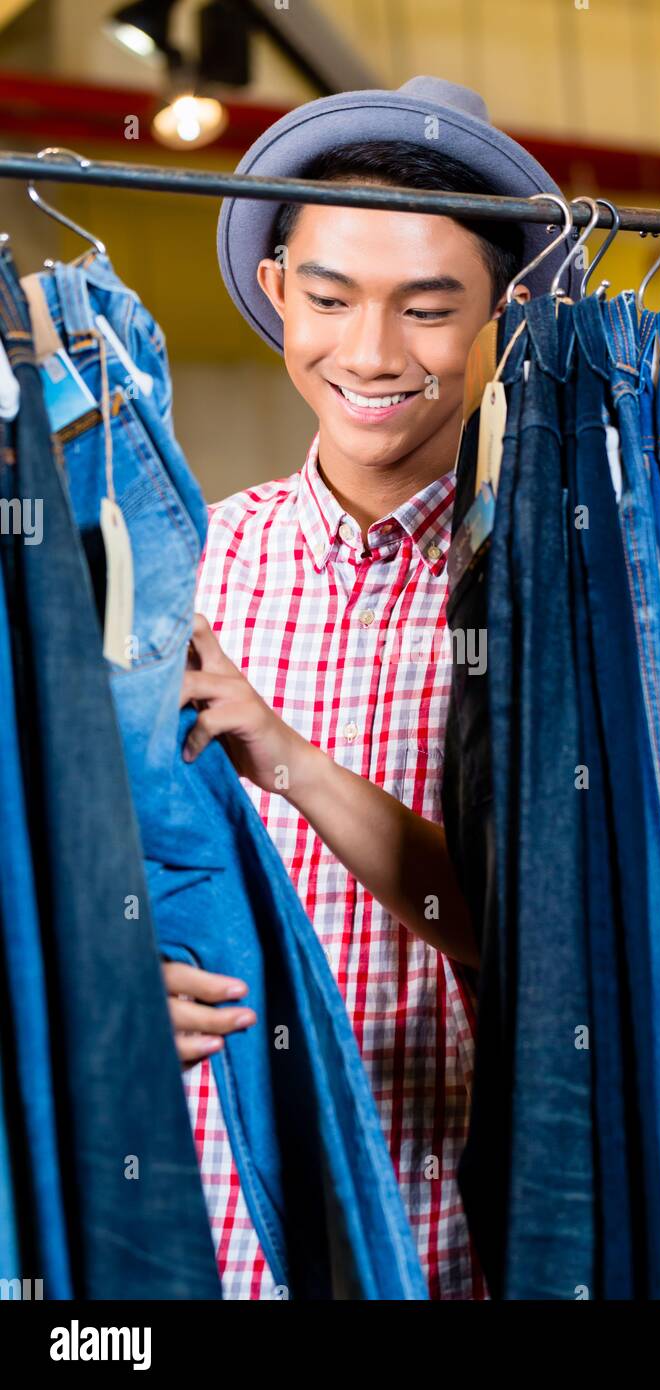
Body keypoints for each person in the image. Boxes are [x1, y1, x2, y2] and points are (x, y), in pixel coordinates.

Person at [162, 76, 572, 1301]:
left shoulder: (549, 591)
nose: (372, 354)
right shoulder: (188, 564)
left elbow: (534, 943)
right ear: (278, 290)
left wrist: (276, 746)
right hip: (216, 1217)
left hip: (450, 1238)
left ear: (497, 312)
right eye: (330, 299)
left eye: (429, 308)